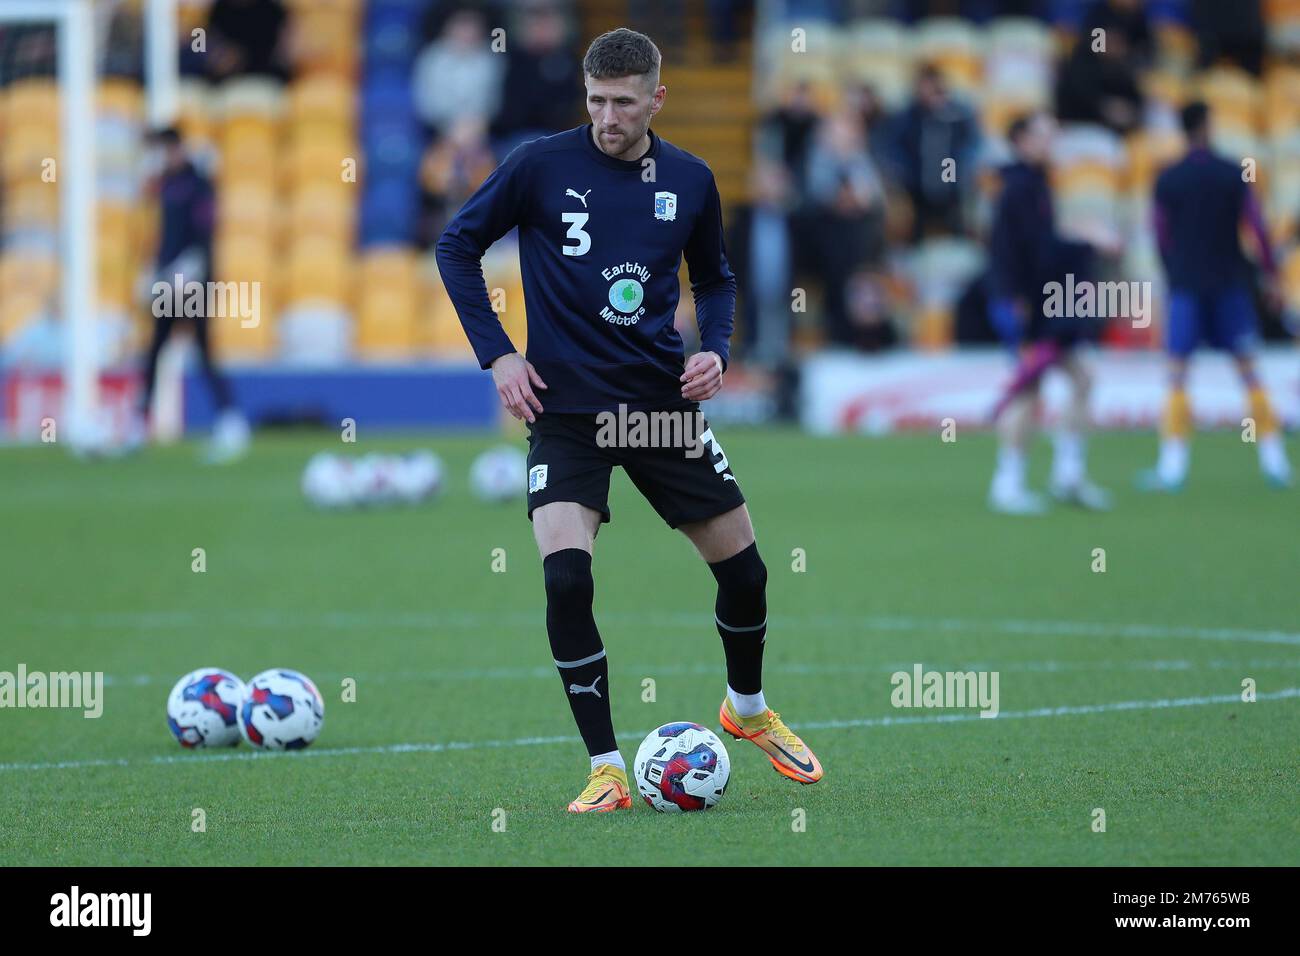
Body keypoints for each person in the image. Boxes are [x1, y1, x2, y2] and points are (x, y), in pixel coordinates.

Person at [435, 28, 823, 813]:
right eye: (596, 100)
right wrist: (500, 356)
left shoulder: (689, 178)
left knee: (745, 574)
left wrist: (715, 349)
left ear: (656, 98)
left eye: (622, 102)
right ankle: (607, 767)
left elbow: (715, 279)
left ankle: (745, 710)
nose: (607, 117)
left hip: (659, 408)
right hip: (565, 412)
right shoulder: (539, 165)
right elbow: (456, 245)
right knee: (567, 577)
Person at [1139, 102, 1291, 490]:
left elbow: (1159, 234)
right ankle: (1274, 461)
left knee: (1177, 375)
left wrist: (1171, 273)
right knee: (1249, 371)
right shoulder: (1232, 173)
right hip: (1229, 284)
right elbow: (1256, 227)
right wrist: (1272, 276)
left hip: (1187, 286)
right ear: (1208, 125)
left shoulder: (1168, 178)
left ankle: (1172, 467)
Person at [986, 113, 1111, 515]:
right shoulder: (1021, 188)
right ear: (1021, 140)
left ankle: (1067, 474)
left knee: (1083, 378)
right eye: (1042, 134)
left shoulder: (1035, 184)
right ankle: (1007, 483)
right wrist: (1085, 243)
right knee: (1030, 390)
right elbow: (1033, 253)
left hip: (1044, 303)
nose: (1051, 140)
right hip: (1029, 305)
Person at [131, 128, 247, 462]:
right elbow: (163, 235)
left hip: (192, 279)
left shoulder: (197, 183)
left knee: (201, 348)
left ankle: (230, 420)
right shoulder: (164, 185)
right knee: (156, 348)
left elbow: (205, 232)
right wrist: (155, 271)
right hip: (169, 278)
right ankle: (140, 423)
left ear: (178, 148)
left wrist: (191, 267)